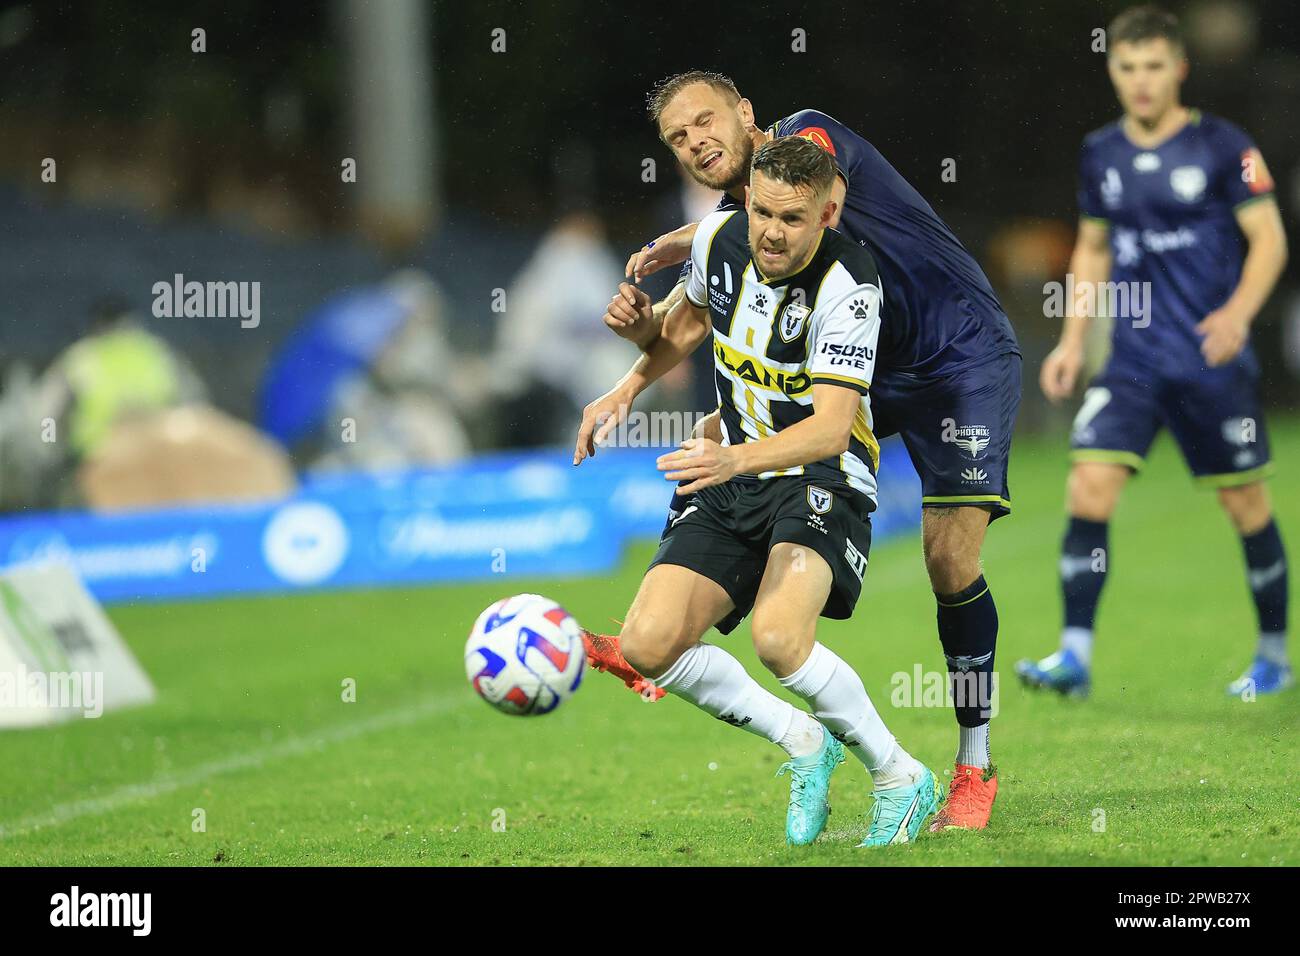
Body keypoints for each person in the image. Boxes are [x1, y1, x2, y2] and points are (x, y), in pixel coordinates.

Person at [587, 71, 1021, 831]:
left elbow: (803, 180)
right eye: (678, 137)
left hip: (960, 359)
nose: (696, 141)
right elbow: (687, 322)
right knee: (744, 447)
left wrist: (677, 238)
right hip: (868, 372)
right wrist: (630, 376)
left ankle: (973, 764)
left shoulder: (803, 143)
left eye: (706, 121)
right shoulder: (738, 226)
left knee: (951, 562)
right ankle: (683, 625)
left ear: (747, 113)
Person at [1018, 5, 1291, 698]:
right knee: (1088, 484)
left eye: (1154, 67)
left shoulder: (1225, 147)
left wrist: (1235, 314)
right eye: (1128, 68)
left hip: (1210, 361)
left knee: (1245, 505)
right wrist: (1074, 340)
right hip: (1133, 363)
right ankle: (1074, 656)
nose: (1141, 81)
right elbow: (1093, 247)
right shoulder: (1100, 152)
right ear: (1114, 72)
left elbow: (1270, 240)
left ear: (1179, 70)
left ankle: (1273, 655)